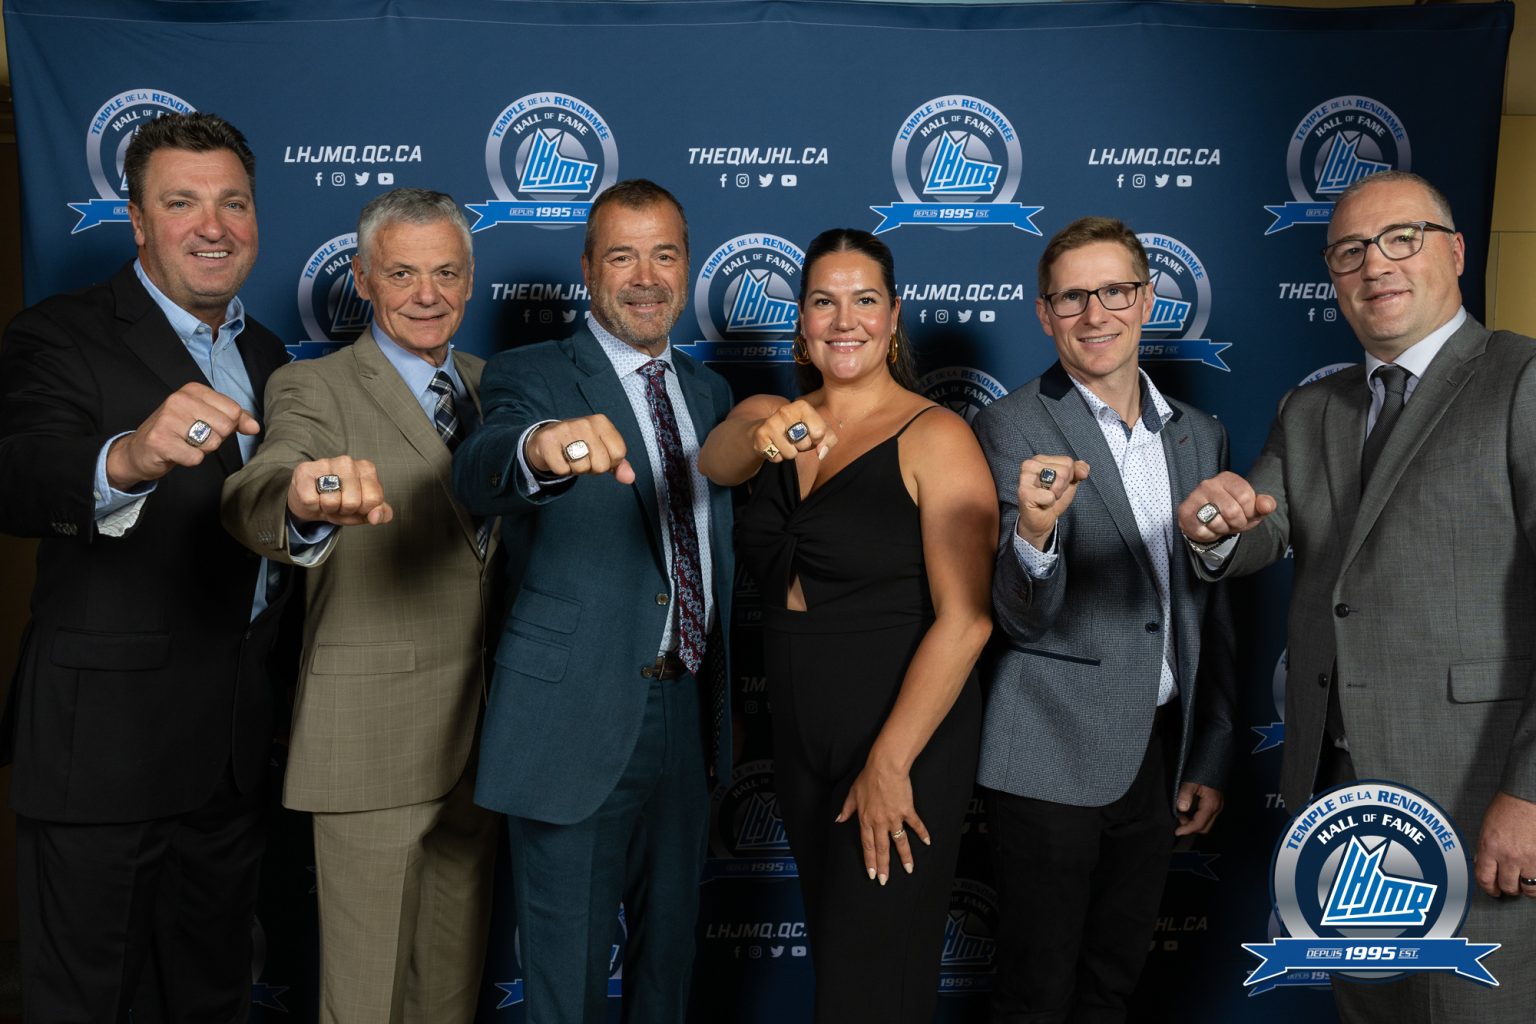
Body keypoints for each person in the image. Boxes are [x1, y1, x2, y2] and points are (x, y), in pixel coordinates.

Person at [1179, 170, 1536, 1021]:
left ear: (1453, 252)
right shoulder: (1311, 409)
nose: (1376, 264)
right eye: (1350, 251)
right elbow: (1258, 524)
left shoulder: (1520, 379)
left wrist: (1530, 792)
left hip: (1476, 792)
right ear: (1333, 277)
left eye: (1400, 239)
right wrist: (1212, 525)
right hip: (1343, 808)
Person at [0, 112, 296, 1021]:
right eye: (181, 203)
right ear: (136, 221)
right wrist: (125, 457)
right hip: (106, 755)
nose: (213, 225)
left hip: (234, 758)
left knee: (208, 999)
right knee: (87, 1003)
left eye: (232, 202)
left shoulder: (267, 354)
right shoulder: (60, 333)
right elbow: (17, 474)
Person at [452, 179, 732, 1024]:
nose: (646, 276)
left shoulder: (709, 393)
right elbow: (481, 468)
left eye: (664, 254)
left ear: (687, 265)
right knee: (566, 980)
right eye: (622, 256)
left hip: (685, 715)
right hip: (572, 719)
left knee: (668, 968)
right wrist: (546, 446)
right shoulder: (530, 374)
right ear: (586, 269)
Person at [698, 227, 995, 1021]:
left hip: (900, 730)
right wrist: (759, 433)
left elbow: (966, 621)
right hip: (801, 734)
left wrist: (890, 761)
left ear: (894, 317)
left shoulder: (937, 436)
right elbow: (716, 462)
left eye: (864, 300)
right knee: (842, 967)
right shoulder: (776, 418)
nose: (844, 319)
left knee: (872, 985)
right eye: (824, 302)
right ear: (799, 320)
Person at [222, 188, 500, 1023]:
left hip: (484, 737)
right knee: (365, 1001)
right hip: (371, 734)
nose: (427, 293)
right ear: (364, 280)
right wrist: (301, 500)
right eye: (404, 273)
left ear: (471, 279)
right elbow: (257, 488)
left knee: (447, 996)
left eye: (446, 272)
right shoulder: (316, 386)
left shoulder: (496, 388)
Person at [971, 216, 1235, 1023]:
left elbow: (1208, 611)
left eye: (1116, 291)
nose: (1097, 313)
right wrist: (1036, 534)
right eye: (1073, 297)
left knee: (1113, 986)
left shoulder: (1200, 433)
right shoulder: (1009, 426)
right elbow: (1017, 620)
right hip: (1047, 750)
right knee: (1037, 993)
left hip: (1155, 756)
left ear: (1149, 299)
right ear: (1045, 314)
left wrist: (1211, 751)